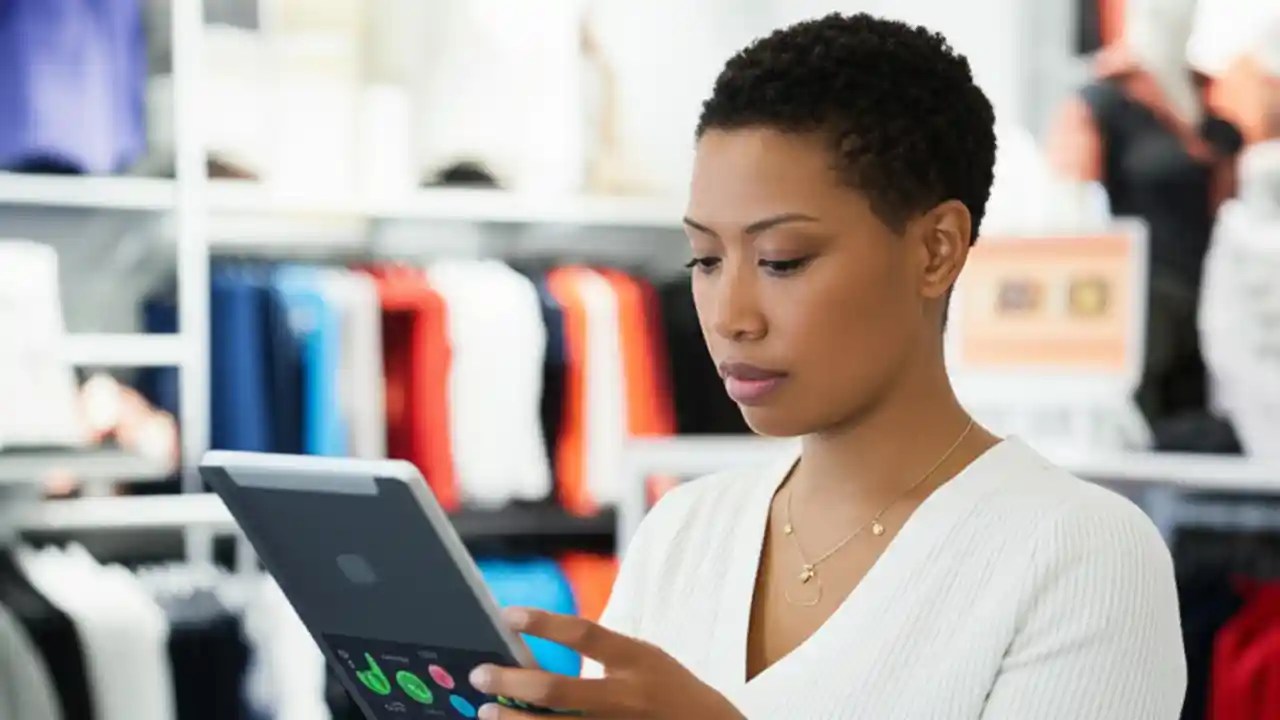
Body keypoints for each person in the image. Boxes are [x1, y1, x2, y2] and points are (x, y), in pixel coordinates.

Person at [468, 13, 1186, 719]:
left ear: (936, 250)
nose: (730, 316)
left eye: (782, 261)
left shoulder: (1081, 553)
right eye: (706, 260)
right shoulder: (681, 533)